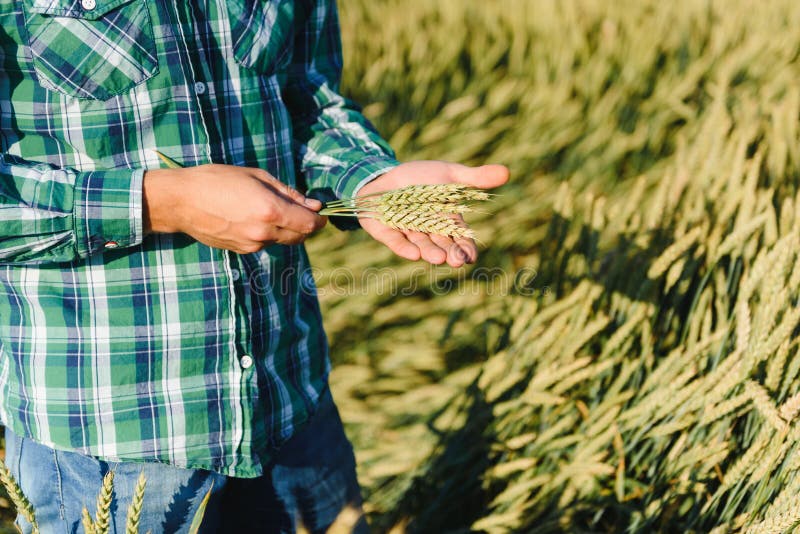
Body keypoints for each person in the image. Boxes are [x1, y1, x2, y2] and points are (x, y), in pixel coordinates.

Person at [0, 0, 508, 531]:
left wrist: (367, 181)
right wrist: (162, 203)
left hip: (293, 405)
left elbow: (308, 96)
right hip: (109, 443)